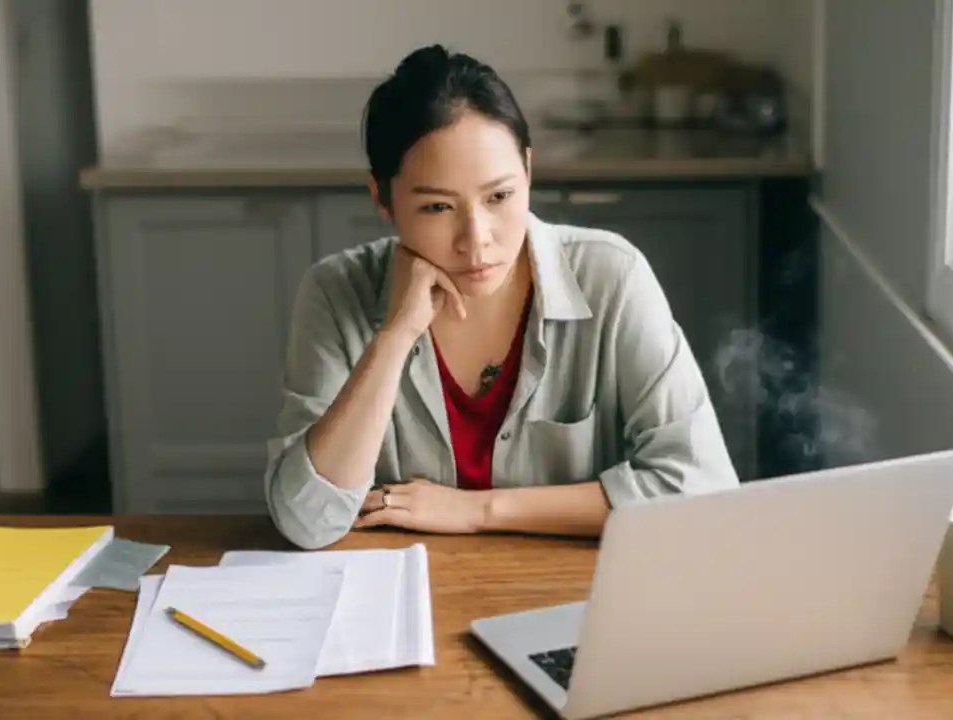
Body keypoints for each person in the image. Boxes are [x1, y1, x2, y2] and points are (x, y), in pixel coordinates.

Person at [265, 45, 738, 550]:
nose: (477, 238)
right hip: (405, 598)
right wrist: (394, 335)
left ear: (528, 171)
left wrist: (478, 510)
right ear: (381, 198)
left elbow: (701, 490)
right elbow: (306, 521)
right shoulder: (336, 293)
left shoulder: (611, 276)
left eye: (499, 197)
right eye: (437, 207)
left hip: (574, 599)